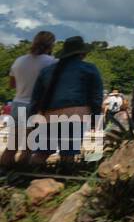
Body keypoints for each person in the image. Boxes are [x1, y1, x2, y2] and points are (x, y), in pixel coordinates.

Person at [29, 35, 103, 165]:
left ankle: (28, 178)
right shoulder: (89, 69)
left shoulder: (47, 70)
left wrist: (32, 118)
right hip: (76, 114)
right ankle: (63, 180)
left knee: (41, 153)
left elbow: (36, 98)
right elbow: (96, 96)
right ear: (82, 53)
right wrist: (95, 117)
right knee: (68, 153)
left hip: (48, 115)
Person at [2, 31, 56, 167]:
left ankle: (4, 171)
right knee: (29, 146)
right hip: (37, 106)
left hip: (18, 103)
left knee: (12, 144)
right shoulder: (52, 62)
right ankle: (22, 175)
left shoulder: (19, 61)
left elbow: (12, 84)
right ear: (51, 45)